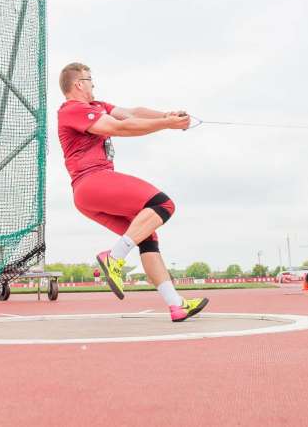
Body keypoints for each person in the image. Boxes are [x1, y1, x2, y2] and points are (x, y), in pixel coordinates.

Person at [56, 62, 208, 322]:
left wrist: (166, 116)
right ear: (79, 84)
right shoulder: (72, 110)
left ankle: (176, 305)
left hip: (89, 193)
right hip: (92, 182)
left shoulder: (98, 106)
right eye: (90, 80)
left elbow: (131, 113)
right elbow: (118, 128)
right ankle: (113, 257)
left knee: (148, 236)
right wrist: (166, 125)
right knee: (164, 205)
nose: (94, 84)